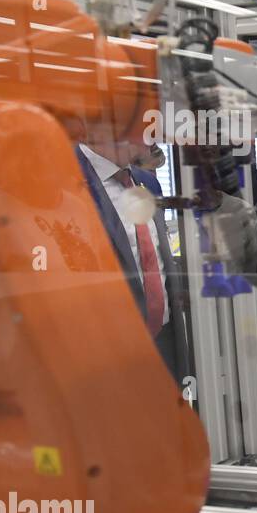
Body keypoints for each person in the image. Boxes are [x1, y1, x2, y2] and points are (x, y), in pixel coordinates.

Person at [75, 128, 182, 377]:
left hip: (165, 341)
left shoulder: (148, 182)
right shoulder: (65, 182)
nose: (147, 136)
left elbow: (156, 253)